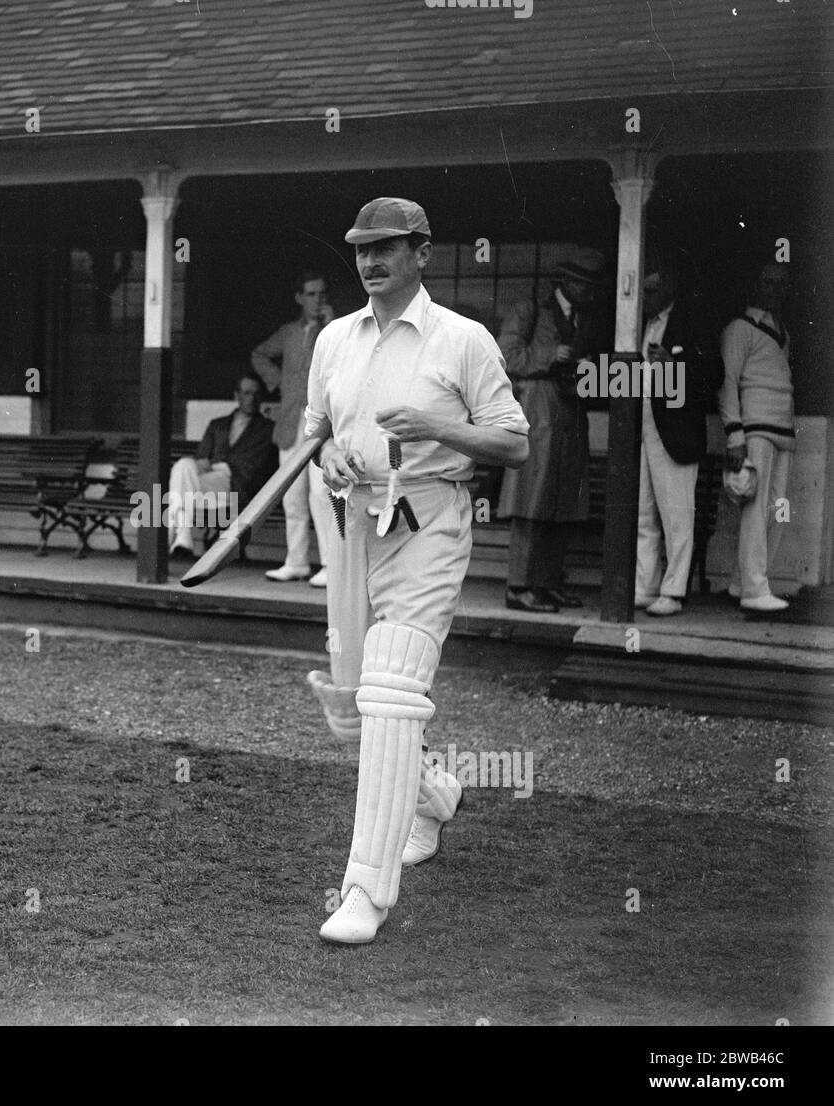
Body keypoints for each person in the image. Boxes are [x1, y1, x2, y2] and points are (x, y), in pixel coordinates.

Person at [303, 197, 529, 945]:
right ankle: (432, 795)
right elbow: (317, 429)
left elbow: (513, 444)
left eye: (388, 249)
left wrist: (436, 425)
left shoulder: (462, 340)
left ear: (422, 252)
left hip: (430, 517)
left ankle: (365, 892)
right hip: (350, 519)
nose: (371, 262)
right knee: (351, 705)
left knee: (394, 690)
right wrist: (328, 452)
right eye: (362, 249)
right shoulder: (335, 338)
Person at [496, 249, 609, 613]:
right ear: (568, 282)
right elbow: (505, 357)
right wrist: (550, 354)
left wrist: (585, 367)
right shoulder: (530, 310)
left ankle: (547, 583)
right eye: (585, 285)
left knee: (563, 501)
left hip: (571, 411)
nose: (590, 293)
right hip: (537, 409)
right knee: (530, 500)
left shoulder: (584, 318)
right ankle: (519, 587)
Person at [634, 259, 723, 617]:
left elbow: (713, 374)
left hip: (676, 431)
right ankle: (646, 585)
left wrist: (673, 364)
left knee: (677, 515)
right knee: (644, 513)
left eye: (652, 290)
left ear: (670, 287)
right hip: (642, 429)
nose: (646, 297)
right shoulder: (639, 323)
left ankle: (673, 590)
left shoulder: (691, 323)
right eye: (643, 290)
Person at [718, 260, 796, 613]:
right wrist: (735, 434)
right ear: (754, 286)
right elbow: (728, 382)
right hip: (756, 429)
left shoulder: (782, 331)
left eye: (780, 284)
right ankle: (754, 588)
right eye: (767, 283)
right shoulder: (740, 328)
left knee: (778, 509)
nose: (774, 290)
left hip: (783, 430)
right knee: (755, 510)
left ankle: (743, 581)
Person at [251, 271, 336, 586]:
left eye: (321, 293)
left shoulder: (335, 331)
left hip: (322, 424)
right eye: (311, 294)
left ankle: (330, 564)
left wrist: (329, 325)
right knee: (292, 495)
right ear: (300, 298)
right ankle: (297, 561)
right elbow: (259, 354)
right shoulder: (288, 332)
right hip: (290, 422)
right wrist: (278, 384)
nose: (318, 300)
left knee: (322, 494)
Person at [167, 372, 276, 558]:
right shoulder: (218, 424)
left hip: (237, 486)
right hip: (207, 485)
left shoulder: (268, 429)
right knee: (183, 465)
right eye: (247, 393)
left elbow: (257, 466)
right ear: (237, 396)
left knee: (178, 489)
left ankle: (178, 538)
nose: (252, 398)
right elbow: (201, 456)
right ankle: (182, 538)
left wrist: (218, 466)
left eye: (256, 394)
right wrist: (202, 461)